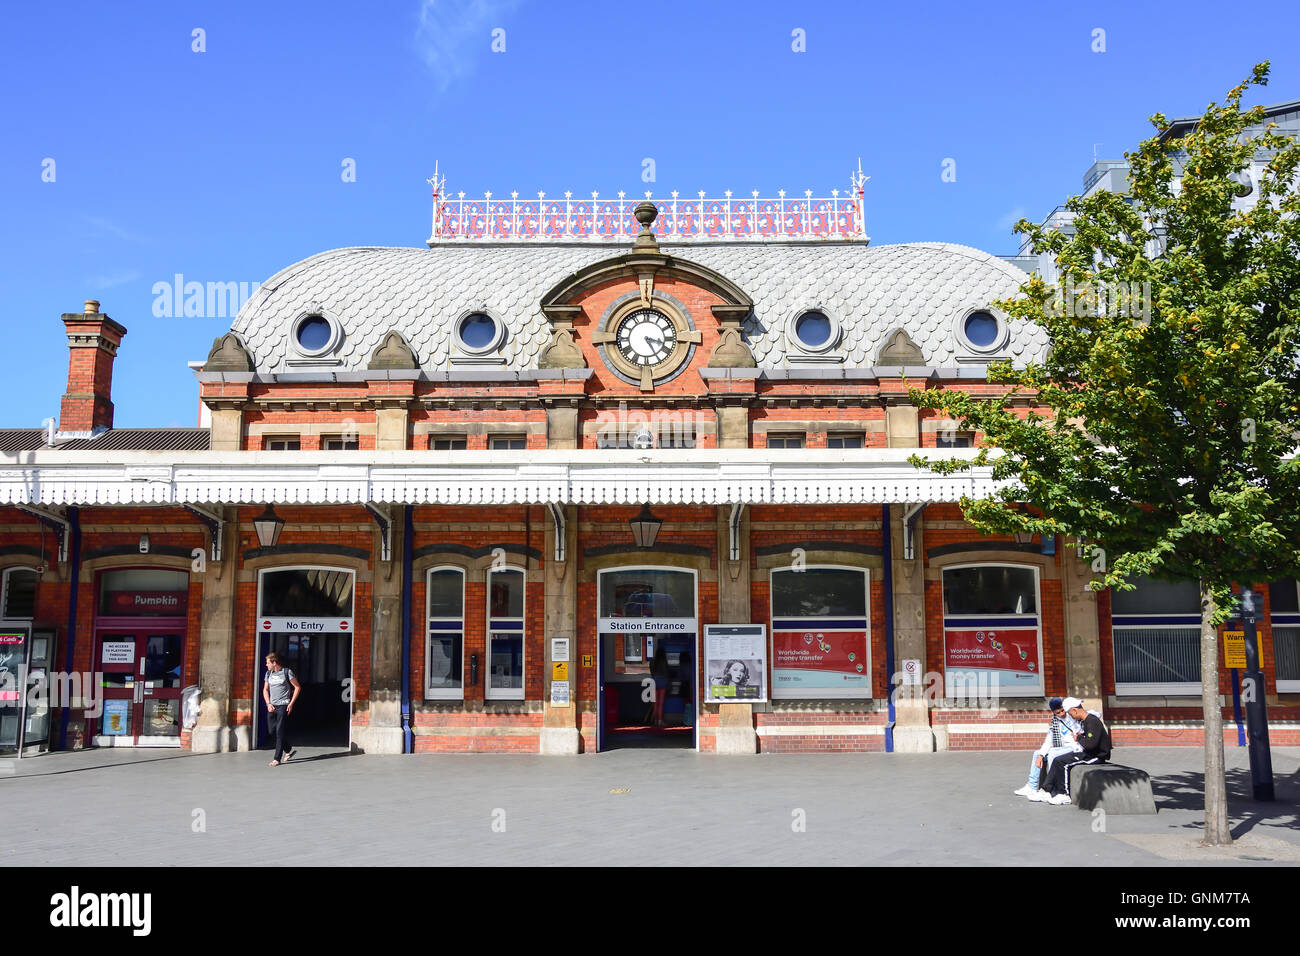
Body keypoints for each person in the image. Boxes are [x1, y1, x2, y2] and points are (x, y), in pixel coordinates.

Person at [1031, 697, 1111, 804]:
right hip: (1088, 753)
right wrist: (1081, 737)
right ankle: (1045, 790)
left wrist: (1078, 738)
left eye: (1070, 713)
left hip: (1096, 756)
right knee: (1057, 760)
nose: (1071, 716)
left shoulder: (1092, 721)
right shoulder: (1087, 721)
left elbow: (1090, 745)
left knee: (1063, 763)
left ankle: (1063, 794)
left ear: (1075, 710)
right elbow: (1089, 740)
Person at [1014, 697, 1081, 798]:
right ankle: (1032, 786)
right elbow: (1049, 740)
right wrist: (1041, 755)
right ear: (1054, 712)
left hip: (1074, 747)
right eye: (1058, 712)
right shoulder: (1055, 722)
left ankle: (1050, 788)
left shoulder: (1072, 716)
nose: (1062, 714)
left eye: (1062, 710)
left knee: (1053, 754)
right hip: (1062, 747)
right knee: (1037, 754)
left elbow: (1094, 715)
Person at [262, 652, 301, 767]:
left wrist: (291, 703)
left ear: (274, 663)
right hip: (272, 706)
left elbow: (297, 687)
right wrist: (268, 703)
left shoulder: (286, 672)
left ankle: (276, 759)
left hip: (283, 705)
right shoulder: (268, 674)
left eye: (268, 662)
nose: (266, 665)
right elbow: (265, 689)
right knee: (272, 731)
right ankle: (288, 748)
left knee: (279, 731)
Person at [650, 644, 669, 726]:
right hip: (662, 681)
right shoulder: (664, 661)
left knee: (655, 703)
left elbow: (651, 670)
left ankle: (654, 720)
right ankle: (660, 721)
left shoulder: (653, 660)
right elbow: (666, 672)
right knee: (661, 703)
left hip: (654, 681)